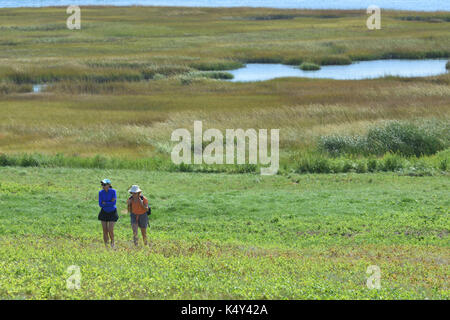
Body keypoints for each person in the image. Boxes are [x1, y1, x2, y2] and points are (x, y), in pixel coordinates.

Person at [98, 179, 118, 249]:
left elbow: (114, 203)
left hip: (112, 212)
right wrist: (109, 202)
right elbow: (100, 204)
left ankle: (113, 243)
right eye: (102, 185)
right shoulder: (100, 192)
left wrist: (105, 203)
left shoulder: (113, 191)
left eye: (104, 184)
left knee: (110, 229)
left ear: (109, 185)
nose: (103, 186)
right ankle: (106, 245)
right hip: (104, 212)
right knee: (104, 230)